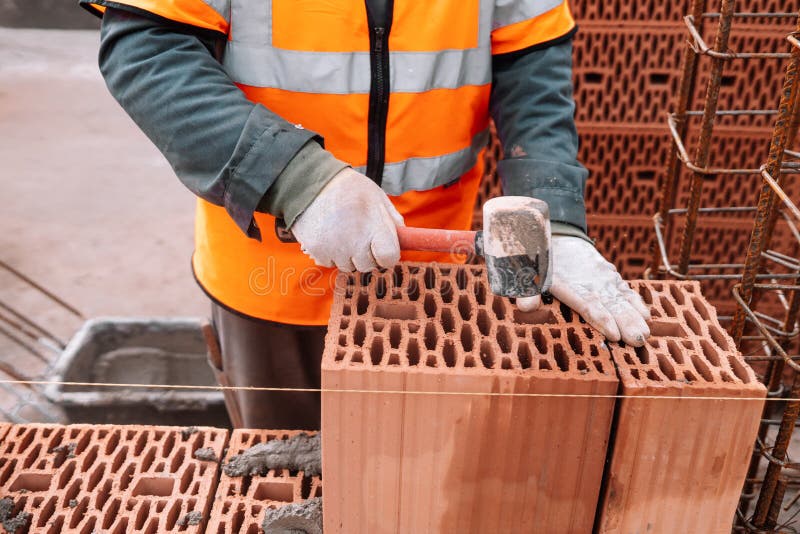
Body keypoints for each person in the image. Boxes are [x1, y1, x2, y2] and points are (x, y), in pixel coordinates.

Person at [82, 0, 650, 430]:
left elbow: (533, 72)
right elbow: (147, 49)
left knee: (417, 477)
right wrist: (294, 177)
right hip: (270, 279)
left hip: (433, 274)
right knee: (287, 478)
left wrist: (555, 221)